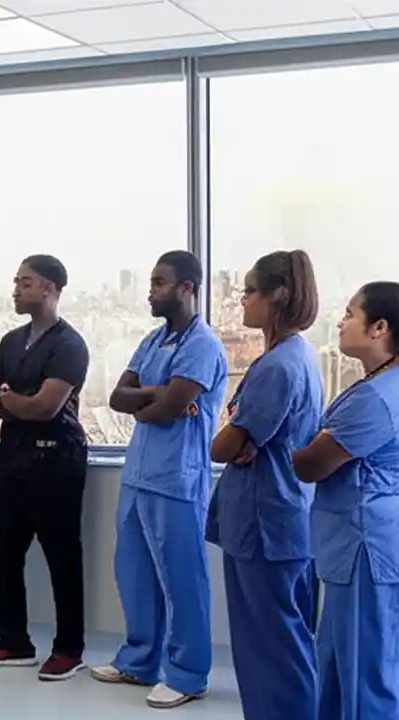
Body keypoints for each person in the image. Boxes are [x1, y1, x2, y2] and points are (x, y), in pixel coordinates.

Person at [292, 282, 399, 720]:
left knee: (368, 681)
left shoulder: (379, 397)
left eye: (350, 314)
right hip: (366, 548)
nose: (340, 322)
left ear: (379, 328)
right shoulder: (385, 384)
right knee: (344, 670)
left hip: (370, 551)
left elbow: (310, 465)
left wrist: (278, 442)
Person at [91, 250, 227, 709]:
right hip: (139, 475)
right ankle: (139, 661)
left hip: (177, 478)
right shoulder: (154, 340)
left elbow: (170, 410)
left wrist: (155, 400)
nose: (150, 291)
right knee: (133, 573)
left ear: (187, 288)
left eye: (159, 283)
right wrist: (157, 392)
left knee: (182, 580)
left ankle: (188, 674)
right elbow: (117, 397)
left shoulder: (203, 344)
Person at [206, 250, 322, 720]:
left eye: (251, 291)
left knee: (271, 650)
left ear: (279, 296)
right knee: (285, 641)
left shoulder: (277, 367)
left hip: (265, 524)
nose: (243, 300)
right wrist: (240, 436)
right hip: (283, 518)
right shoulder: (295, 357)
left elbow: (223, 446)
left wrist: (235, 437)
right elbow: (242, 435)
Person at [0, 255, 90, 681]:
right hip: (13, 458)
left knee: (62, 557)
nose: (16, 290)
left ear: (50, 289)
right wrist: (19, 402)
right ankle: (13, 642)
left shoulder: (69, 345)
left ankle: (69, 649)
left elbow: (45, 407)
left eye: (26, 282)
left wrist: (12, 400)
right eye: (16, 281)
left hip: (57, 461)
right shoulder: (10, 340)